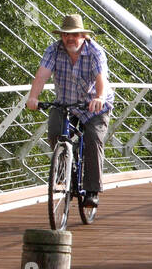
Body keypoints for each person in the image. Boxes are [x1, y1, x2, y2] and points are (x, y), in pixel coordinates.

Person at [25, 14, 113, 210]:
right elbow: (42, 75)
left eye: (74, 35)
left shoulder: (95, 52)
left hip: (93, 106)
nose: (69, 39)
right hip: (65, 103)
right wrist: (33, 97)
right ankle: (64, 172)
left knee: (92, 138)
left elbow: (101, 79)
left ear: (83, 35)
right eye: (65, 35)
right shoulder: (54, 50)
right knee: (55, 130)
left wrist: (99, 97)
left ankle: (92, 191)